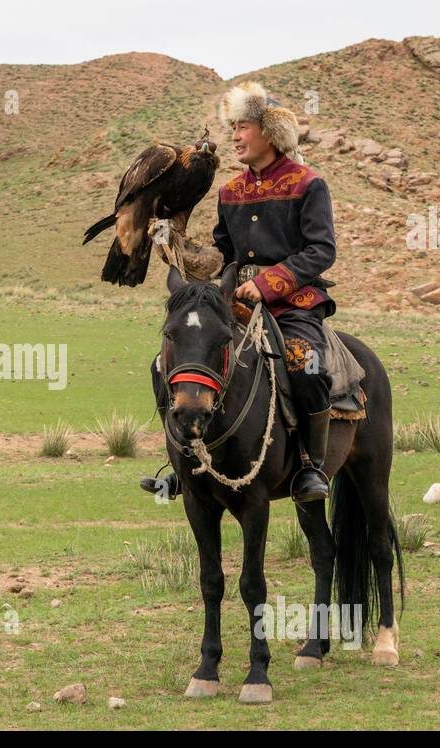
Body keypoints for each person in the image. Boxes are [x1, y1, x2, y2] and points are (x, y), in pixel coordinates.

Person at [142, 81, 337, 503]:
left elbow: (322, 251)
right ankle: (183, 461)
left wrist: (265, 284)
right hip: (236, 305)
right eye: (232, 127)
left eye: (242, 126)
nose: (233, 136)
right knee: (166, 363)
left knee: (306, 368)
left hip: (294, 305)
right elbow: (221, 256)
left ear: (270, 132)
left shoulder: (308, 184)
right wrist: (177, 247)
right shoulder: (230, 192)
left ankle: (309, 465)